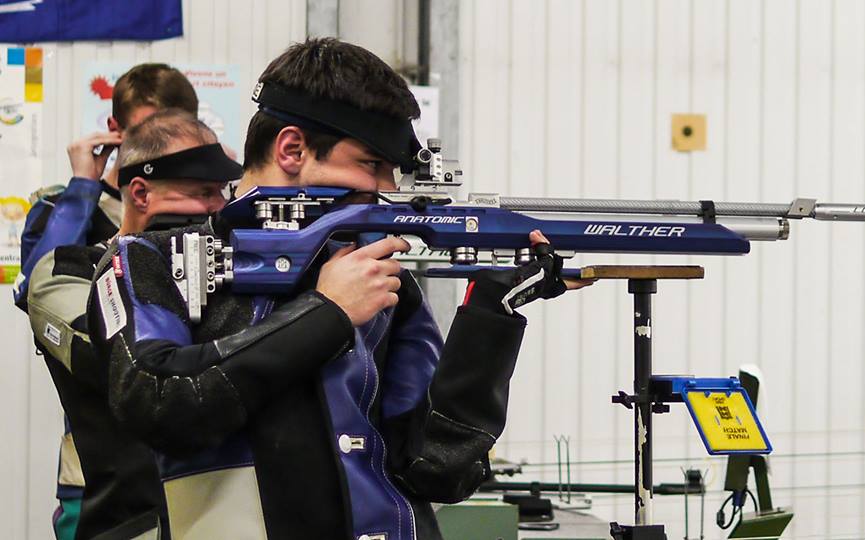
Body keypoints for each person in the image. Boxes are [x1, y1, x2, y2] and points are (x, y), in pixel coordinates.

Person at [90, 38, 583, 540]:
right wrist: (327, 312)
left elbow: (439, 469)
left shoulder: (379, 272)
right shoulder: (148, 259)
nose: (388, 189)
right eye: (371, 165)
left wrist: (489, 316)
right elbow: (156, 401)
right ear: (292, 149)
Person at [28, 109, 238, 540]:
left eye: (224, 192)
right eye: (202, 192)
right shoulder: (68, 271)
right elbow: (117, 357)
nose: (218, 208)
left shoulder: (230, 271)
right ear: (140, 193)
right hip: (124, 523)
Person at [15, 62, 199, 310]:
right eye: (146, 132)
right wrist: (82, 189)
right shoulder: (57, 207)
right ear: (115, 129)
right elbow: (33, 295)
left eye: (176, 133)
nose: (163, 146)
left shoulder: (207, 204)